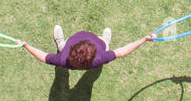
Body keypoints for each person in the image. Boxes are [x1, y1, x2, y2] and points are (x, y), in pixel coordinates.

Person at [18, 26, 153, 70]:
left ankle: (60, 43)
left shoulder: (63, 59)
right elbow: (122, 51)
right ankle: (105, 40)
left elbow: (43, 56)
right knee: (103, 44)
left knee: (62, 46)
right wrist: (144, 39)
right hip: (99, 45)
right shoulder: (100, 57)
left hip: (66, 48)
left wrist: (26, 45)